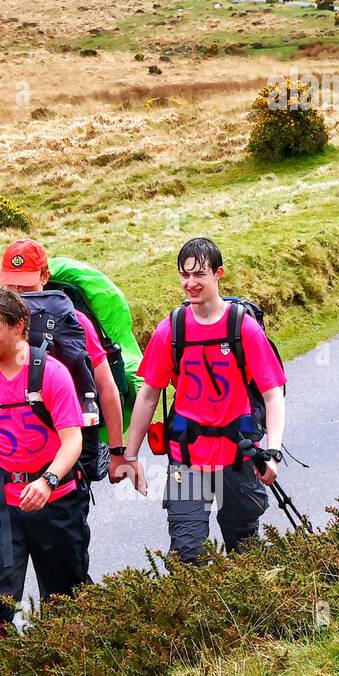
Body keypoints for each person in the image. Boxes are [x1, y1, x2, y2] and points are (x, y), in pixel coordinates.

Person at [122, 237, 286, 564]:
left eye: (199, 274)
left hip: (239, 456)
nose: (191, 283)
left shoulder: (244, 328)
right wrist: (130, 455)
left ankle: (243, 613)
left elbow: (273, 395)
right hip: (186, 458)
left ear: (218, 274)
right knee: (187, 554)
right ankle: (196, 615)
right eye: (185, 275)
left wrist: (273, 451)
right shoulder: (171, 330)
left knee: (245, 550)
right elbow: (149, 394)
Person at [0, 288, 84, 652]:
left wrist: (47, 481)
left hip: (57, 501)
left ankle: (71, 674)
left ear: (19, 327)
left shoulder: (52, 374)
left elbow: (72, 440)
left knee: (65, 598)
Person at [0, 239, 128, 482]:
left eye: (25, 286)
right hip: (11, 448)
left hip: (67, 446)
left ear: (45, 276)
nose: (19, 295)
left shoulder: (73, 321)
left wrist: (117, 451)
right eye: (11, 286)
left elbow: (105, 384)